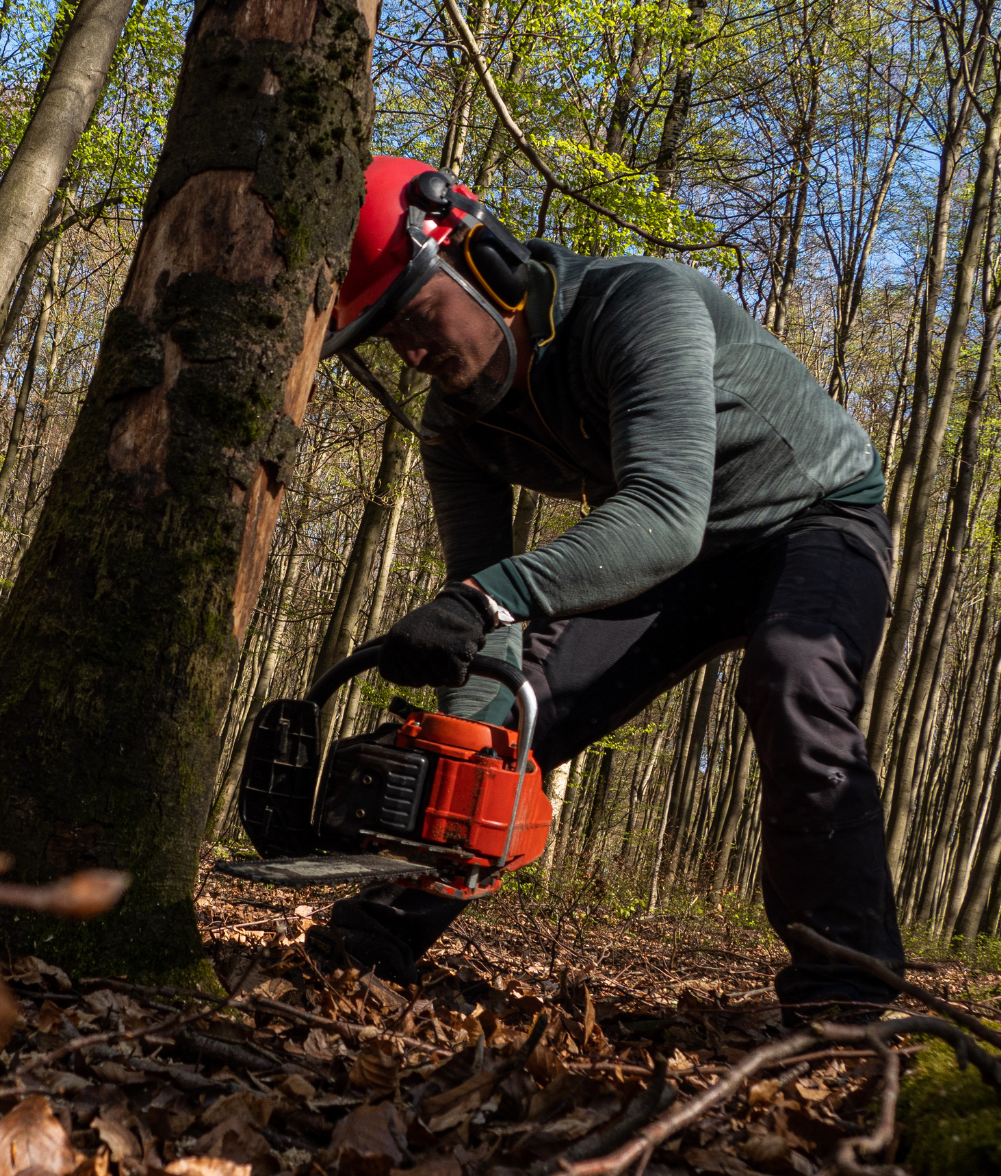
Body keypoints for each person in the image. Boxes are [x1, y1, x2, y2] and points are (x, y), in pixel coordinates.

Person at [306, 155, 904, 1024]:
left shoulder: (638, 305)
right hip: (681, 557)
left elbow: (662, 513)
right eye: (387, 337)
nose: (413, 353)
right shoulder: (455, 427)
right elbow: (487, 610)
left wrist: (483, 601)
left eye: (416, 315)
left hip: (813, 517)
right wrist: (471, 701)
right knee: (513, 708)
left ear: (484, 260)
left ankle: (842, 996)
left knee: (794, 677)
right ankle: (371, 940)